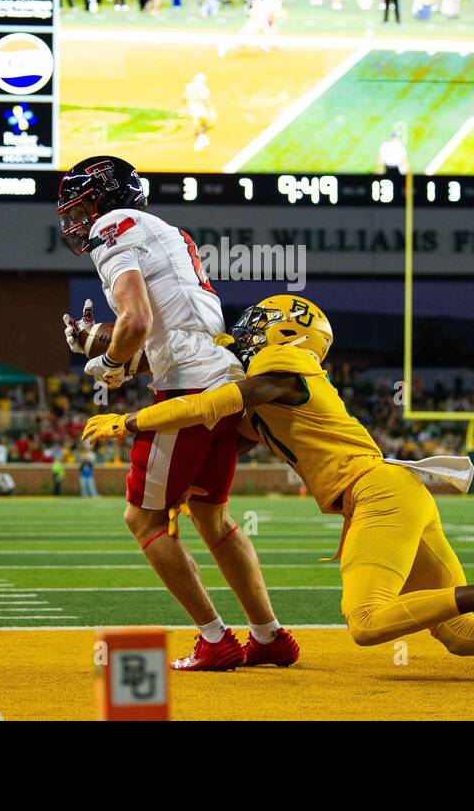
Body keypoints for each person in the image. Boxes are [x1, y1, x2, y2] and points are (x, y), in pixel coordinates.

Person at [83, 295, 474, 681]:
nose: (248, 333)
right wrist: (120, 354)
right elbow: (218, 420)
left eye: (260, 326)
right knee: (461, 635)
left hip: (377, 494)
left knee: (367, 623)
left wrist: (132, 422)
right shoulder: (280, 391)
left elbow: (215, 402)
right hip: (397, 491)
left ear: (284, 333)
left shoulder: (284, 370)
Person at [57, 155, 297, 672]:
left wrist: (109, 362)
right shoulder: (167, 231)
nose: (77, 220)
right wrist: (111, 349)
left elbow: (137, 320)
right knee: (211, 513)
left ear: (102, 200)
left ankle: (215, 639)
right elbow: (173, 331)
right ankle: (269, 635)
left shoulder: (111, 227)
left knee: (143, 518)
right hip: (224, 373)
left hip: (188, 386)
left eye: (81, 206)